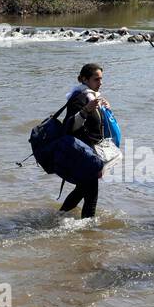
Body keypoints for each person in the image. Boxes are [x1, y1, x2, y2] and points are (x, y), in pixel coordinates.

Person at [60, 62, 108, 219]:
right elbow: (70, 126)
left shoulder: (92, 97)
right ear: (84, 80)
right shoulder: (78, 98)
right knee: (91, 195)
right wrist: (86, 110)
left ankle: (59, 217)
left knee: (82, 189)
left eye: (101, 79)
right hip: (83, 155)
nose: (100, 83)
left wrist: (105, 108)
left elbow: (98, 125)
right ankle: (89, 234)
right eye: (96, 79)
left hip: (91, 153)